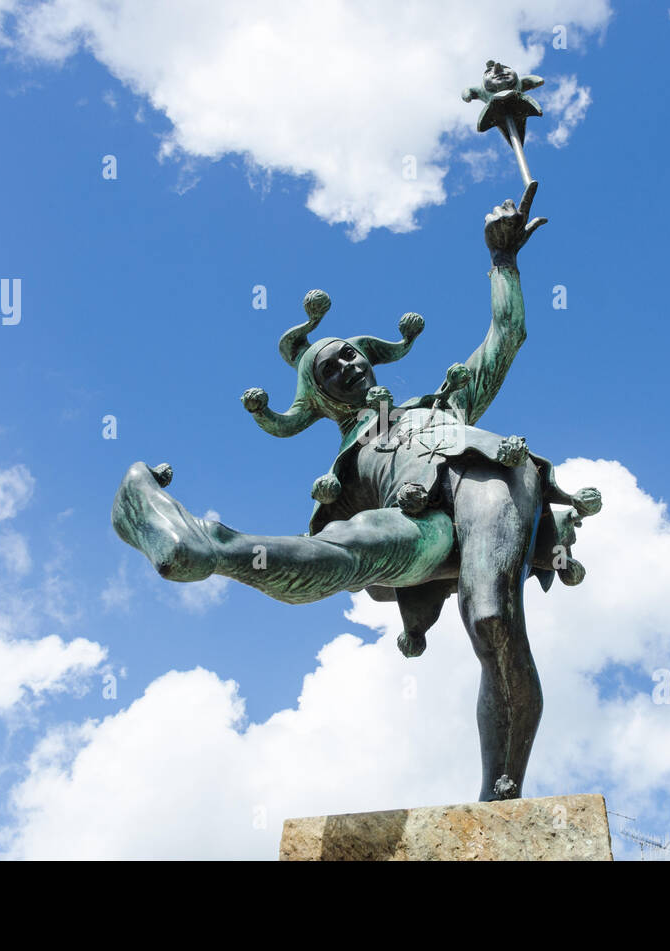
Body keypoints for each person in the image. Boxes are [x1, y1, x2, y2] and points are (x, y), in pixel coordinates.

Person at [112, 181, 600, 801]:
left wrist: (503, 261)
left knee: (492, 617)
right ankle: (205, 547)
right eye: (329, 369)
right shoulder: (350, 467)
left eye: (349, 356)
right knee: (349, 548)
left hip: (483, 476)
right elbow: (345, 538)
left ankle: (500, 795)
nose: (347, 366)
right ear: (319, 397)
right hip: (420, 522)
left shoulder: (448, 402)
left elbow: (506, 337)